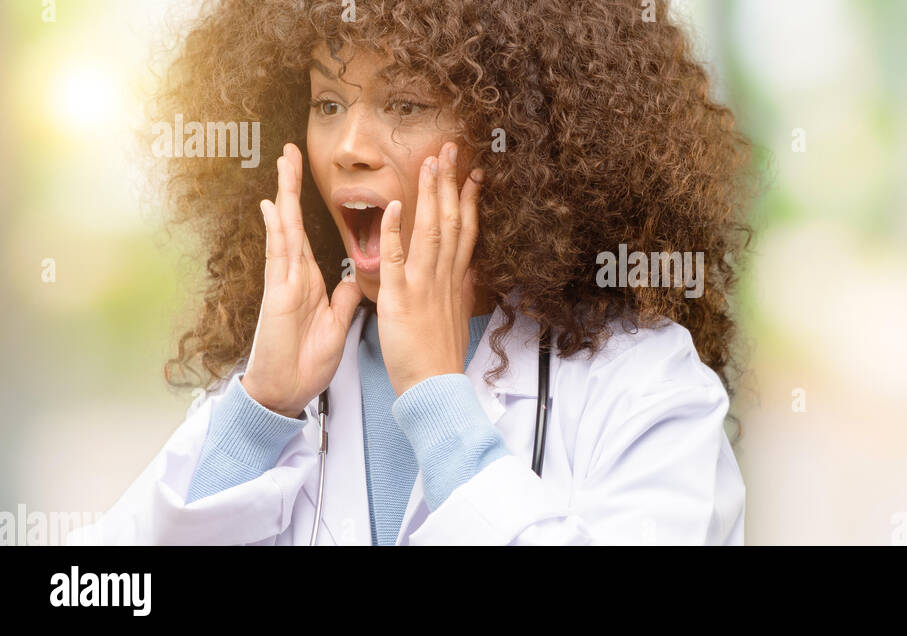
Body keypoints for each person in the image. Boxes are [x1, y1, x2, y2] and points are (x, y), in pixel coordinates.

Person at [71, 0, 753, 545]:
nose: (349, 149)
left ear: (519, 133)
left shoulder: (644, 389)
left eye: (406, 105)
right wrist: (258, 419)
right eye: (328, 105)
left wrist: (436, 400)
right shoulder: (275, 388)